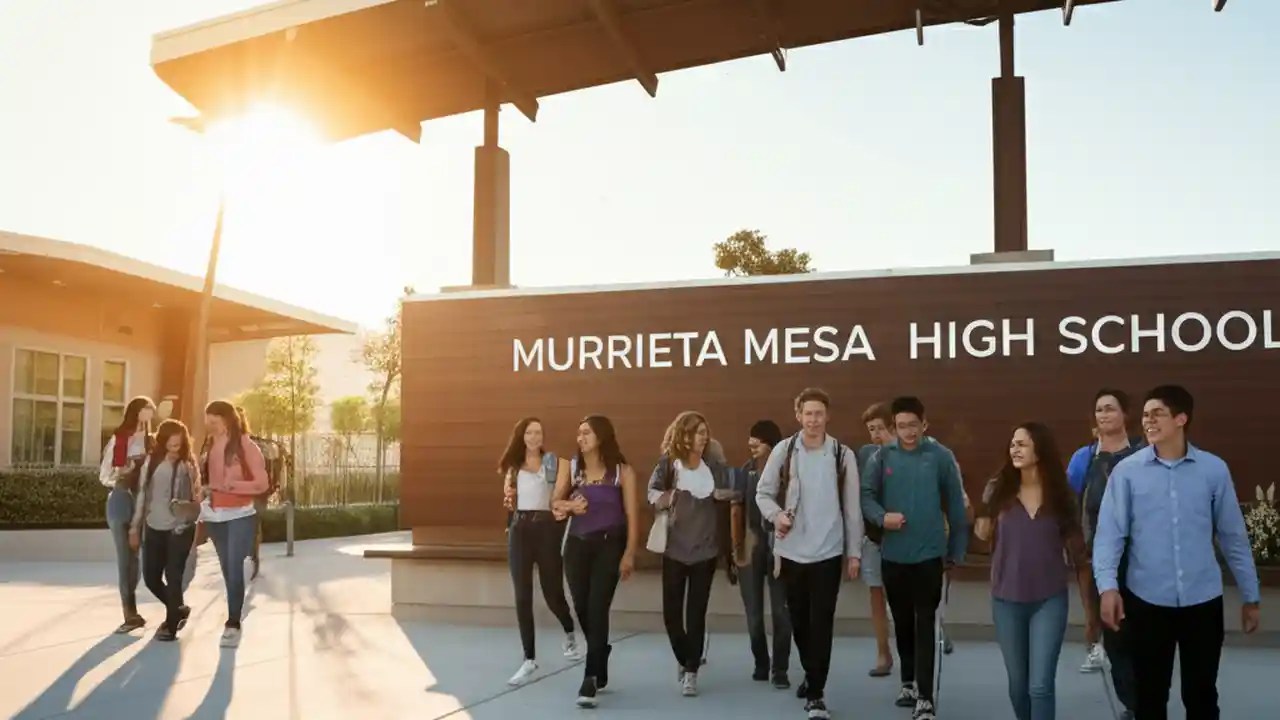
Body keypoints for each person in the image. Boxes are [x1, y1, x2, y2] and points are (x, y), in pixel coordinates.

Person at [1095, 385, 1261, 720]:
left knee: (1201, 695)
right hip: (1147, 601)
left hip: (1203, 601)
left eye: (1158, 414)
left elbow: (1233, 538)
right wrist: (1107, 587)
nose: (1148, 421)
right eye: (1145, 415)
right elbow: (1109, 535)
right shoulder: (1127, 472)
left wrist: (1251, 595)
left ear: (1181, 419)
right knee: (1149, 697)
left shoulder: (1213, 470)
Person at [756, 388, 863, 720]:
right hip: (791, 552)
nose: (814, 420)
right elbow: (763, 493)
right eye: (808, 413)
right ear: (798, 415)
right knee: (799, 621)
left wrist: (854, 553)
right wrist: (777, 516)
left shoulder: (842, 455)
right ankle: (811, 670)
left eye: (819, 414)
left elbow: (852, 509)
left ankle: (816, 694)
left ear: (827, 417)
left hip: (828, 553)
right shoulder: (784, 451)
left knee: (821, 623)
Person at [861, 395, 968, 720]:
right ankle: (906, 682)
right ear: (894, 427)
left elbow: (955, 505)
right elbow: (866, 497)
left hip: (929, 555)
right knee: (903, 622)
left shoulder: (940, 457)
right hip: (893, 555)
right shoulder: (881, 457)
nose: (908, 432)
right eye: (902, 426)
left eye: (914, 425)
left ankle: (925, 696)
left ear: (925, 425)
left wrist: (957, 550)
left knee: (925, 623)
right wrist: (882, 518)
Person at [976, 422, 1091, 720]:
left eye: (1022, 444)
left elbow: (1077, 548)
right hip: (1006, 599)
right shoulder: (998, 489)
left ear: (1040, 451)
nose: (1015, 448)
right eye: (1013, 443)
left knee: (1040, 686)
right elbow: (982, 534)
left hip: (1048, 599)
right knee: (1018, 685)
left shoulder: (1060, 494)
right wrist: (984, 511)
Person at [648, 411, 738, 697]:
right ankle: (686, 656)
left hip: (706, 549)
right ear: (684, 435)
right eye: (697, 432)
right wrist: (667, 497)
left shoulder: (713, 464)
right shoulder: (668, 465)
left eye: (705, 432)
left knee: (696, 612)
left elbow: (733, 490)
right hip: (674, 548)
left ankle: (691, 670)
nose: (703, 437)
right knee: (671, 614)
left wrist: (724, 494)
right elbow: (651, 491)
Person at [553, 415, 639, 708]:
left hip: (609, 546)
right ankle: (600, 653)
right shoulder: (572, 468)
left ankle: (590, 678)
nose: (581, 438)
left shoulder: (622, 472)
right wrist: (570, 506)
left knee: (597, 607)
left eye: (586, 432)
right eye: (578, 433)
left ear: (601, 436)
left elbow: (632, 516)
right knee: (581, 607)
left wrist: (629, 553)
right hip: (576, 547)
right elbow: (555, 504)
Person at [1066, 389, 1143, 714]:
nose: (1104, 415)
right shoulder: (1083, 458)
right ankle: (1131, 702)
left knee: (1143, 631)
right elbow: (1070, 503)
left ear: (1125, 414)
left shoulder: (1144, 452)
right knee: (1114, 633)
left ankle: (1148, 697)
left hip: (1144, 557)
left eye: (1110, 408)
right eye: (1099, 409)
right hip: (1100, 559)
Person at [499, 417, 580, 686]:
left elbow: (562, 493)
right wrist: (509, 500)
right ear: (521, 436)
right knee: (522, 595)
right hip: (520, 530)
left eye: (539, 432)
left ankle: (569, 633)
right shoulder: (513, 466)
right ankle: (529, 659)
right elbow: (510, 500)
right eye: (530, 432)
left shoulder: (552, 462)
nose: (535, 437)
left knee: (552, 592)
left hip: (546, 530)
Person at [200, 400, 270, 648]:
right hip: (215, 515)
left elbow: (262, 484)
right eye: (207, 422)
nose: (209, 427)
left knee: (233, 566)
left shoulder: (246, 447)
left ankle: (232, 623)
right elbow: (213, 480)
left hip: (241, 513)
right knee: (228, 570)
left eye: (214, 422)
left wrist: (234, 487)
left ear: (227, 420)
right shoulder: (212, 445)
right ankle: (242, 580)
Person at [732, 419, 793, 689]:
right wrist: (735, 549)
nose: (751, 444)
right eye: (750, 438)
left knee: (782, 611)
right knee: (753, 611)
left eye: (757, 439)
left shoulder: (788, 470)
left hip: (782, 544)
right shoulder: (745, 471)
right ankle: (761, 662)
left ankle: (780, 668)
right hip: (752, 543)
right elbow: (737, 511)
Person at [131, 419, 201, 642]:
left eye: (179, 442)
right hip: (154, 526)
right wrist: (135, 526)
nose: (175, 445)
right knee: (151, 578)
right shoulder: (151, 462)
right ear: (163, 440)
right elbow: (142, 494)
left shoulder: (189, 464)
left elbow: (197, 496)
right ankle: (178, 609)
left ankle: (171, 626)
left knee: (173, 576)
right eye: (171, 441)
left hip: (179, 528)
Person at [98, 395, 155, 634]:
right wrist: (125, 470)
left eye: (151, 410)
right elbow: (106, 474)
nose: (150, 414)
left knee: (138, 558)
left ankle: (133, 610)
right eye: (147, 409)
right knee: (125, 559)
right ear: (138, 411)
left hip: (144, 501)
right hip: (122, 498)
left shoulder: (152, 440)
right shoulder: (120, 438)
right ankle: (129, 613)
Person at [857, 402, 897, 678]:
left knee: (905, 598)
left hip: (903, 538)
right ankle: (883, 651)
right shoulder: (867, 454)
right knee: (876, 594)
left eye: (880, 428)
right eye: (871, 430)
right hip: (873, 536)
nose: (875, 435)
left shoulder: (909, 454)